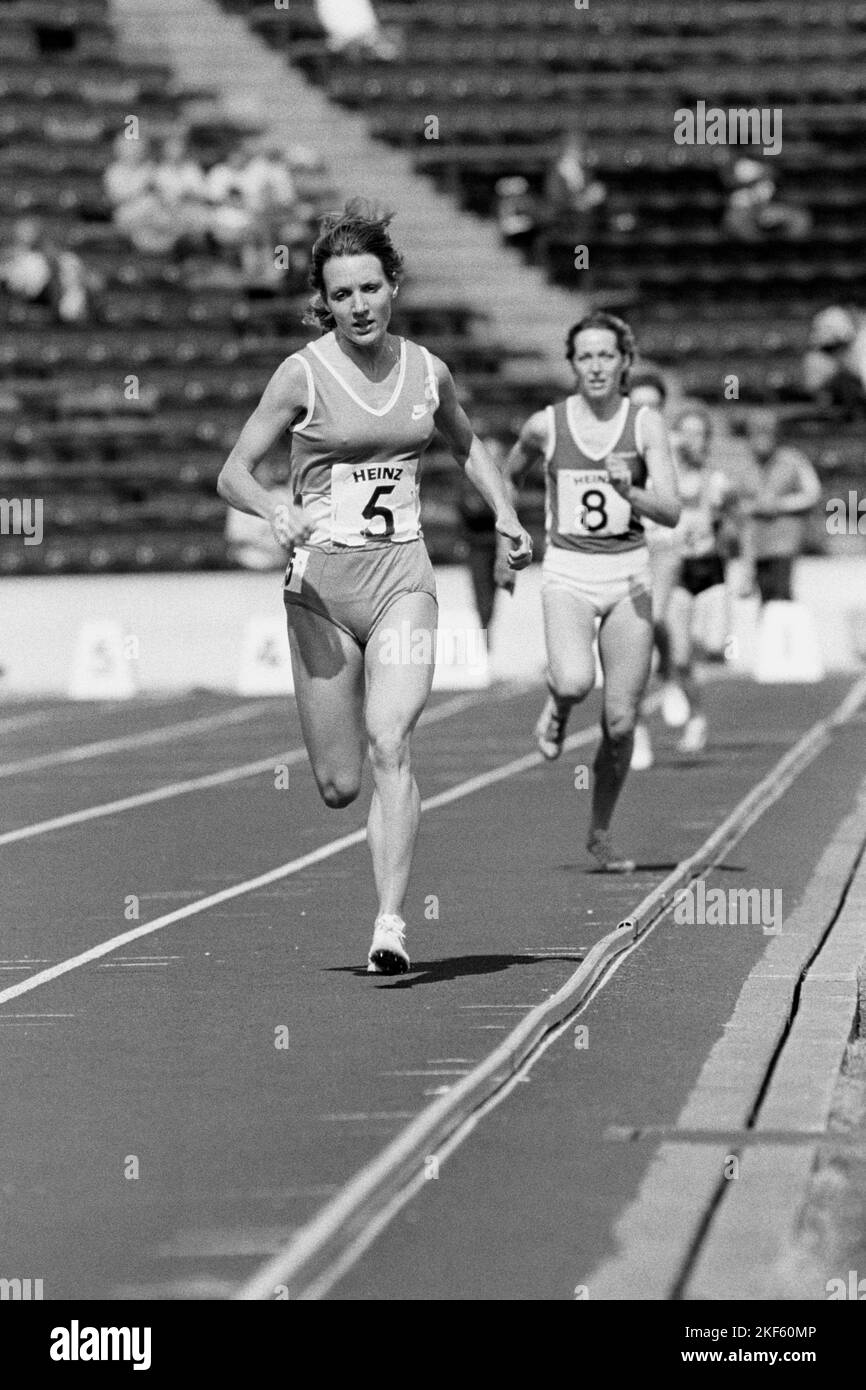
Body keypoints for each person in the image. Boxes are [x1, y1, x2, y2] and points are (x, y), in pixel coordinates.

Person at [217, 202, 532, 972]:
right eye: (341, 295)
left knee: (393, 739)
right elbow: (231, 472)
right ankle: (365, 840)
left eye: (369, 289)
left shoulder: (429, 372)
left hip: (402, 580)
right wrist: (273, 508)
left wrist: (508, 514)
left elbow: (468, 445)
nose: (357, 306)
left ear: (394, 285)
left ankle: (390, 924)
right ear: (323, 301)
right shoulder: (303, 374)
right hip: (321, 589)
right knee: (337, 783)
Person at [502, 311, 680, 871]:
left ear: (625, 362)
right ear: (573, 364)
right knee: (577, 679)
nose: (597, 366)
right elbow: (508, 475)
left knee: (622, 720)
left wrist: (632, 492)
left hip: (629, 573)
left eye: (607, 355)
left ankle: (600, 832)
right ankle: (557, 705)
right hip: (569, 573)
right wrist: (508, 534)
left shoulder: (644, 423)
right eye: (586, 356)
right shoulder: (545, 425)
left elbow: (672, 511)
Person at [663, 406, 741, 755]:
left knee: (715, 648)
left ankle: (683, 679)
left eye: (700, 433)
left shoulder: (718, 481)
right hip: (678, 573)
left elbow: (740, 527)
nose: (693, 439)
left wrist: (744, 562)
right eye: (687, 432)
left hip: (712, 572)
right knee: (679, 657)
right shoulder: (662, 480)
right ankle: (695, 716)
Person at [626, 369, 683, 770]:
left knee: (656, 620)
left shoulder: (675, 445)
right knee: (631, 645)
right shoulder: (612, 443)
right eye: (641, 404)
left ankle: (672, 677)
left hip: (664, 547)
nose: (649, 412)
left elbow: (701, 486)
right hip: (624, 549)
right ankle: (639, 729)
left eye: (655, 405)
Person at [740, 410, 821, 605]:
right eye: (757, 432)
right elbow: (740, 506)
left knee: (781, 599)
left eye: (767, 431)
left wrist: (780, 504)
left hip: (785, 543)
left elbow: (812, 493)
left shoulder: (793, 460)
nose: (762, 437)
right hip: (758, 545)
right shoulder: (746, 465)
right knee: (766, 600)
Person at [802, 306, 866, 420]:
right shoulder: (833, 316)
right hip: (823, 365)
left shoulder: (859, 337)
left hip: (847, 377)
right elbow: (836, 343)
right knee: (842, 382)